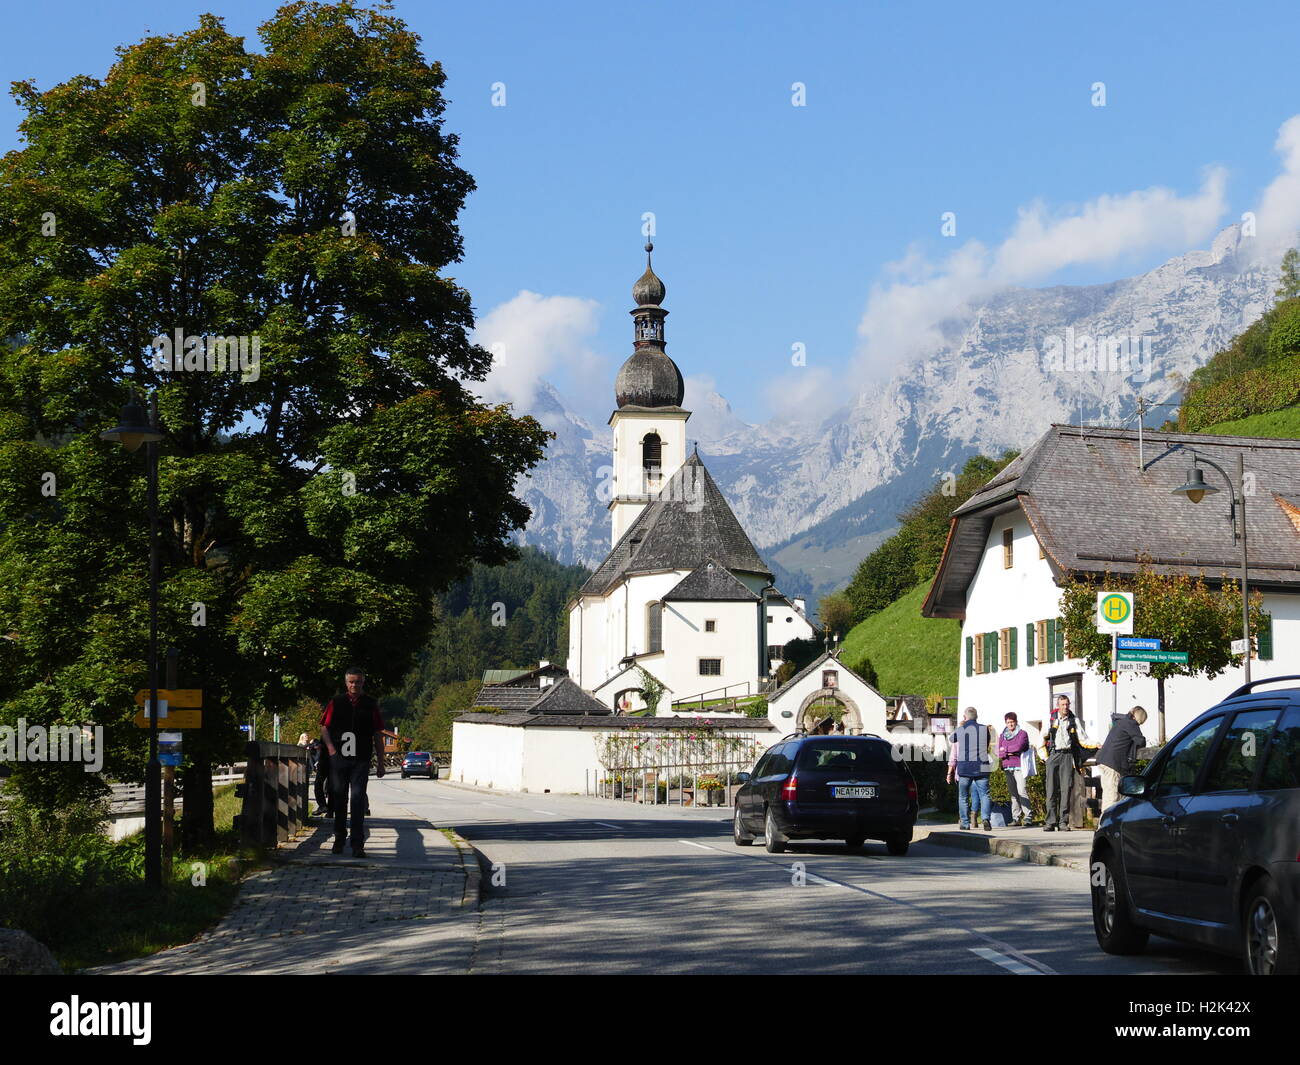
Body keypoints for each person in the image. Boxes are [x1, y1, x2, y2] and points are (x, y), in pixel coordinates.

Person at [320, 666, 386, 857]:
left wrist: (380, 762)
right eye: (351, 682)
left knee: (357, 799)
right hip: (339, 758)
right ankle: (339, 839)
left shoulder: (370, 704)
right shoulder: (336, 702)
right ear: (346, 682)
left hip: (361, 759)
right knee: (339, 798)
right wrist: (331, 750)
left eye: (357, 682)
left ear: (362, 682)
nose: (354, 685)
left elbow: (378, 733)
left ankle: (357, 844)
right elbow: (324, 727)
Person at [1096, 705, 1148, 819]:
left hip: (1103, 760)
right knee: (1112, 796)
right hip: (1113, 763)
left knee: (1108, 793)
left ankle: (1106, 822)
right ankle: (1106, 824)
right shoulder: (1131, 724)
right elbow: (1140, 740)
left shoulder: (1121, 722)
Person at [947, 707, 994, 831]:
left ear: (965, 717)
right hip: (982, 766)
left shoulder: (961, 729)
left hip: (965, 768)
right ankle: (985, 819)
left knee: (963, 796)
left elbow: (951, 739)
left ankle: (965, 823)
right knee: (985, 794)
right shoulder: (984, 729)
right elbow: (987, 744)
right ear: (976, 717)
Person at [1044, 695, 1085, 831]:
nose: (1065, 707)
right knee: (1051, 789)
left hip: (1067, 755)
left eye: (1067, 704)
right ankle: (1050, 821)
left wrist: (1096, 744)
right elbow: (1041, 738)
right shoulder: (1050, 719)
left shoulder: (1074, 720)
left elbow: (1083, 737)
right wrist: (1046, 758)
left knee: (1066, 789)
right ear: (1058, 705)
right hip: (1054, 754)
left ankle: (1063, 821)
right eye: (1062, 704)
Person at [997, 712, 1032, 827]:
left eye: (1012, 722)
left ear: (1016, 722)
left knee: (1022, 791)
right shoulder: (1002, 735)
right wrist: (1009, 751)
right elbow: (999, 752)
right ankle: (1015, 818)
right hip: (1007, 766)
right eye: (1008, 722)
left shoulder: (1022, 734)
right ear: (1005, 723)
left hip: (1019, 766)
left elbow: (1019, 747)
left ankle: (1028, 816)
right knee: (1013, 794)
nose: (1010, 724)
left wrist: (1005, 749)